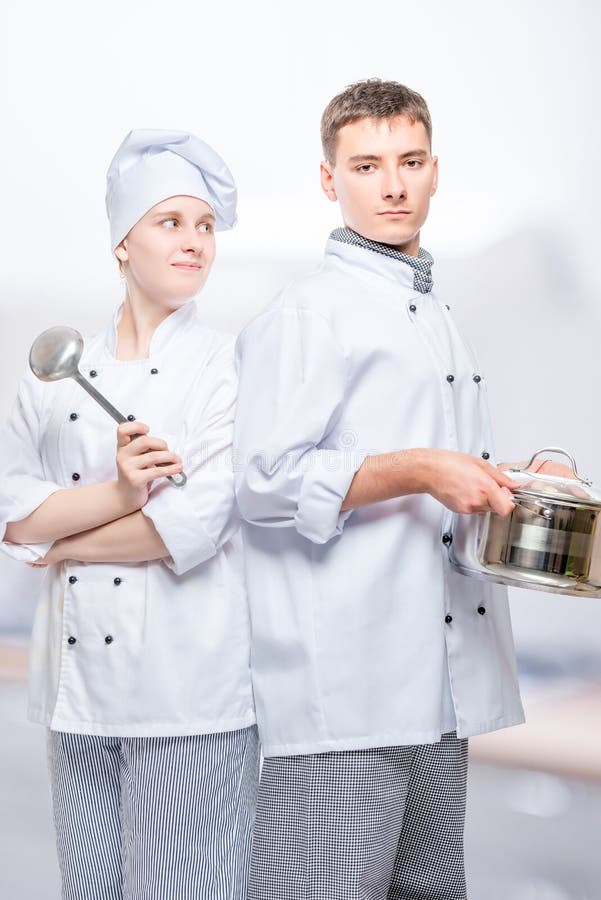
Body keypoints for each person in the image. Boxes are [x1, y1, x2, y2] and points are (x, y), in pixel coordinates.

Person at [234, 80, 526, 899]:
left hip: (439, 679)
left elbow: (456, 477)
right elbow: (261, 482)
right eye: (366, 165)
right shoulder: (309, 311)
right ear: (329, 180)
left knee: (427, 891)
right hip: (345, 684)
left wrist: (524, 479)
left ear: (436, 170)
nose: (392, 185)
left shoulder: (432, 312)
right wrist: (413, 469)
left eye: (409, 161)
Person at [0, 130, 258, 900]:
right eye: (170, 222)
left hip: (191, 694)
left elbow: (192, 526)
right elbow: (12, 517)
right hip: (75, 697)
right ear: (121, 240)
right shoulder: (56, 369)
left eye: (205, 226)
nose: (193, 243)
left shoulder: (228, 366)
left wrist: (61, 538)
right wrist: (116, 494)